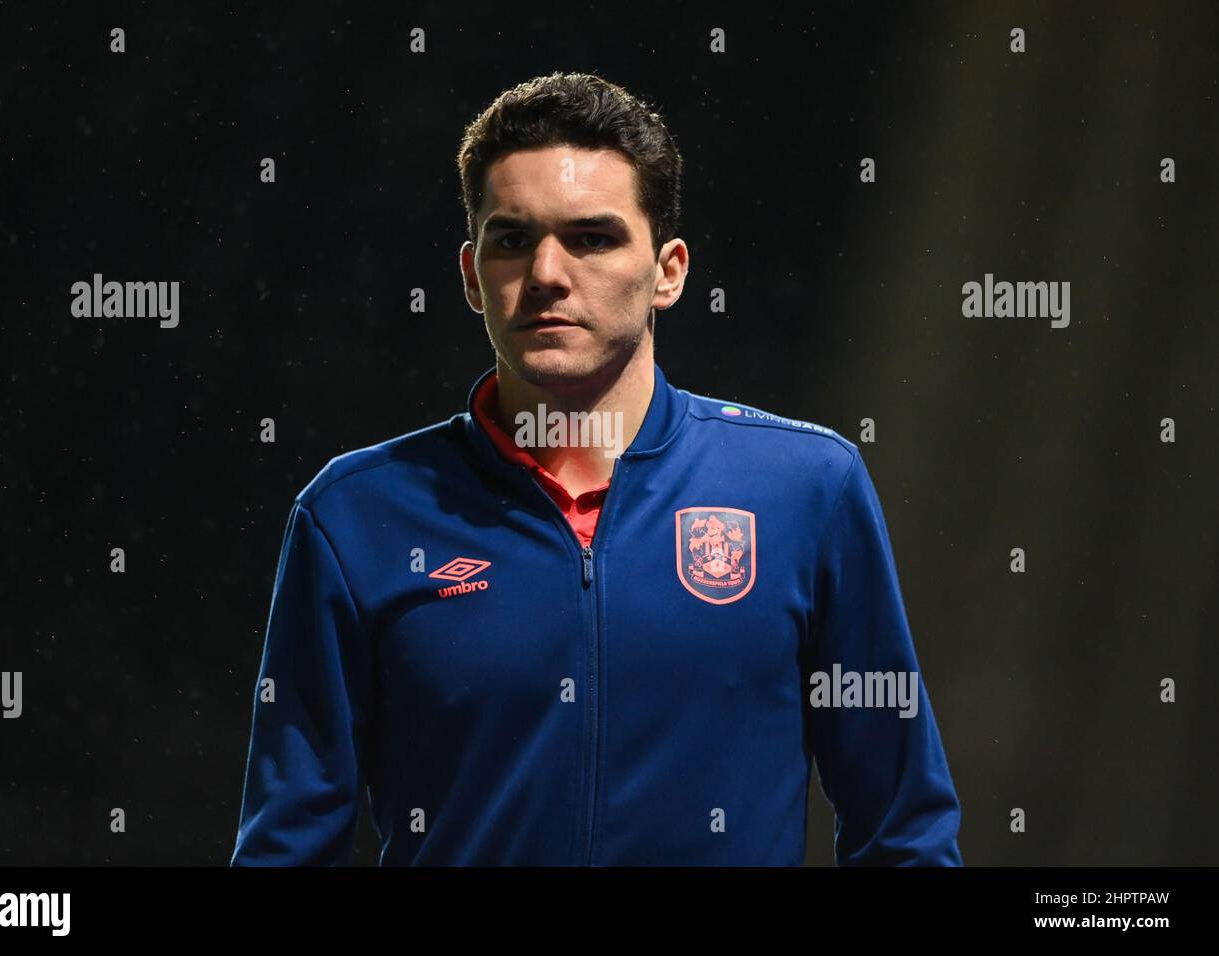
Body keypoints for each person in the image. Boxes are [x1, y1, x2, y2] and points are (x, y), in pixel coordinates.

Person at [230, 72, 962, 866]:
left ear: (669, 271)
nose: (547, 272)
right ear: (474, 276)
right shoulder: (356, 515)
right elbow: (288, 849)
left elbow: (904, 831)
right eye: (514, 239)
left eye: (592, 238)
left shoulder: (805, 488)